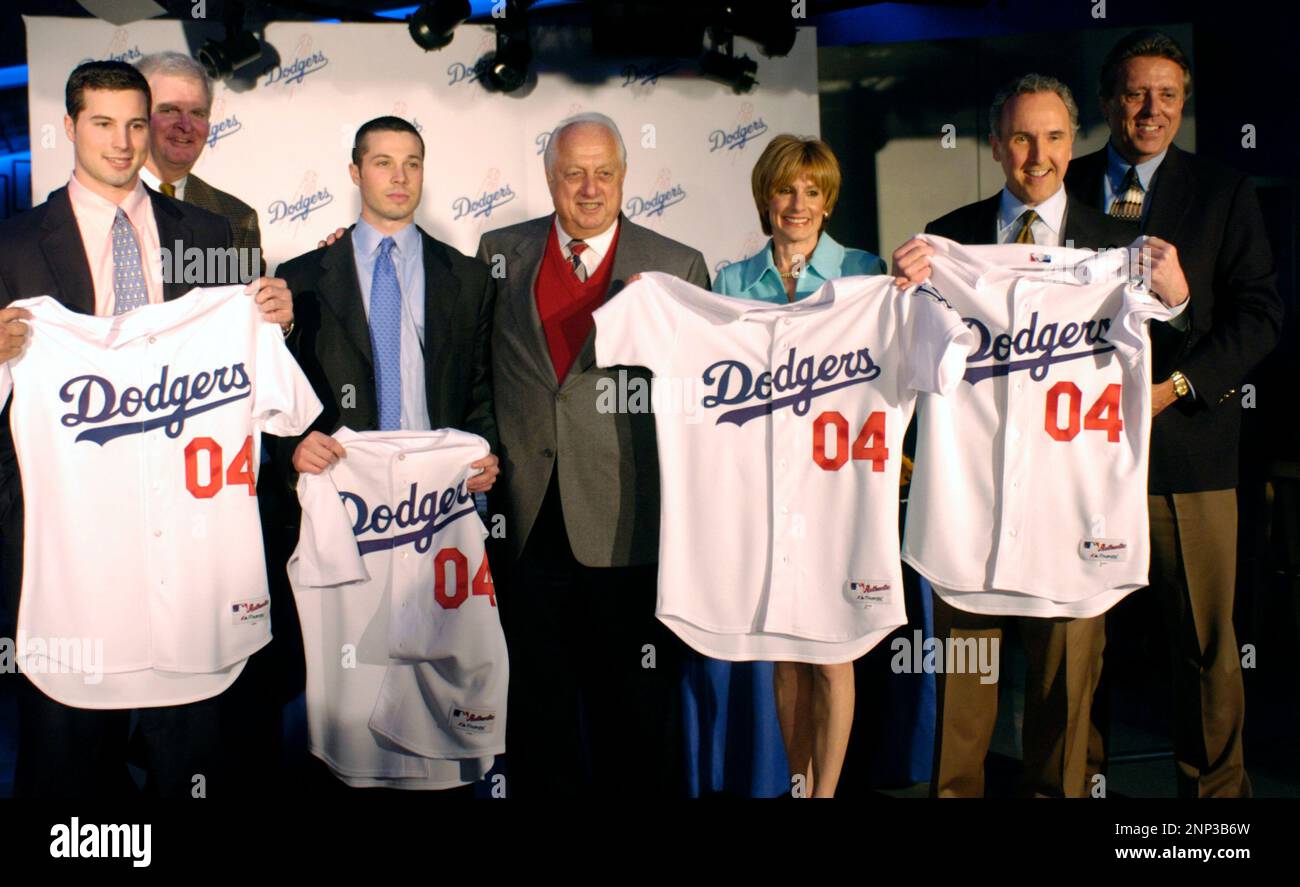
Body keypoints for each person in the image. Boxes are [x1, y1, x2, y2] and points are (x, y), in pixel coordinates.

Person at [0, 60, 292, 798]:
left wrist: (274, 322)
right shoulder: (11, 246)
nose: (125, 142)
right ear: (68, 127)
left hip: (190, 538)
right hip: (61, 542)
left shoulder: (215, 232)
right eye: (103, 123)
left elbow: (249, 367)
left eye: (138, 122)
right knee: (70, 762)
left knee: (194, 753)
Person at [891, 73, 1140, 798]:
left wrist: (1177, 297)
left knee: (1065, 709)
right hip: (970, 508)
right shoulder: (948, 237)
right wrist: (902, 286)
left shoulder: (1119, 244)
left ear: (1074, 142)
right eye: (1022, 137)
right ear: (997, 146)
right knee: (964, 707)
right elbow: (905, 351)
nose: (1039, 154)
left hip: (1073, 512)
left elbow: (1173, 331)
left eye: (1055, 137)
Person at [1064, 30, 1282, 798]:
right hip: (1076, 463)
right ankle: (1075, 787)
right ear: (1106, 101)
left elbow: (1260, 315)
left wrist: (1178, 380)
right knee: (1077, 649)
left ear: (1184, 103)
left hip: (1186, 455)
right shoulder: (1066, 182)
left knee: (1207, 648)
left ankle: (1217, 809)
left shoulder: (1224, 190)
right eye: (1134, 92)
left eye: (1167, 95)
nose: (1150, 110)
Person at [476, 111, 709, 797]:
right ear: (550, 179)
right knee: (538, 718)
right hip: (523, 523)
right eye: (573, 173)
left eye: (603, 173)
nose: (589, 187)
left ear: (624, 178)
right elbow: (479, 370)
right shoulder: (497, 249)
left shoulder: (675, 265)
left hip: (628, 524)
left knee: (635, 717)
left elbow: (701, 399)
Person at [701, 134, 886, 799]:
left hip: (838, 492)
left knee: (833, 653)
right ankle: (800, 783)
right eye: (786, 189)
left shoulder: (866, 273)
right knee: (785, 657)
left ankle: (827, 792)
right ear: (765, 197)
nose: (798, 203)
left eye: (812, 191)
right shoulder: (730, 281)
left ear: (829, 201)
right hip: (765, 495)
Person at [134, 52, 262, 267]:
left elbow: (245, 298)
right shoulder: (97, 203)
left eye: (197, 113)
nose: (185, 125)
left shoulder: (239, 219)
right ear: (137, 116)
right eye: (170, 110)